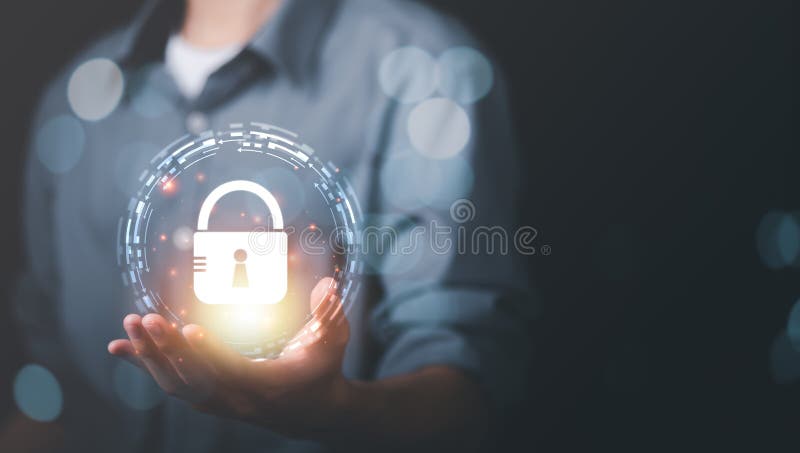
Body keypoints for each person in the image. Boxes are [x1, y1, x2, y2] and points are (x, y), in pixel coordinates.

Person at [12, 0, 533, 451]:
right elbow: (55, 385)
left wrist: (336, 411)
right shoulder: (78, 100)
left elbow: (469, 398)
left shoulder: (423, 71)